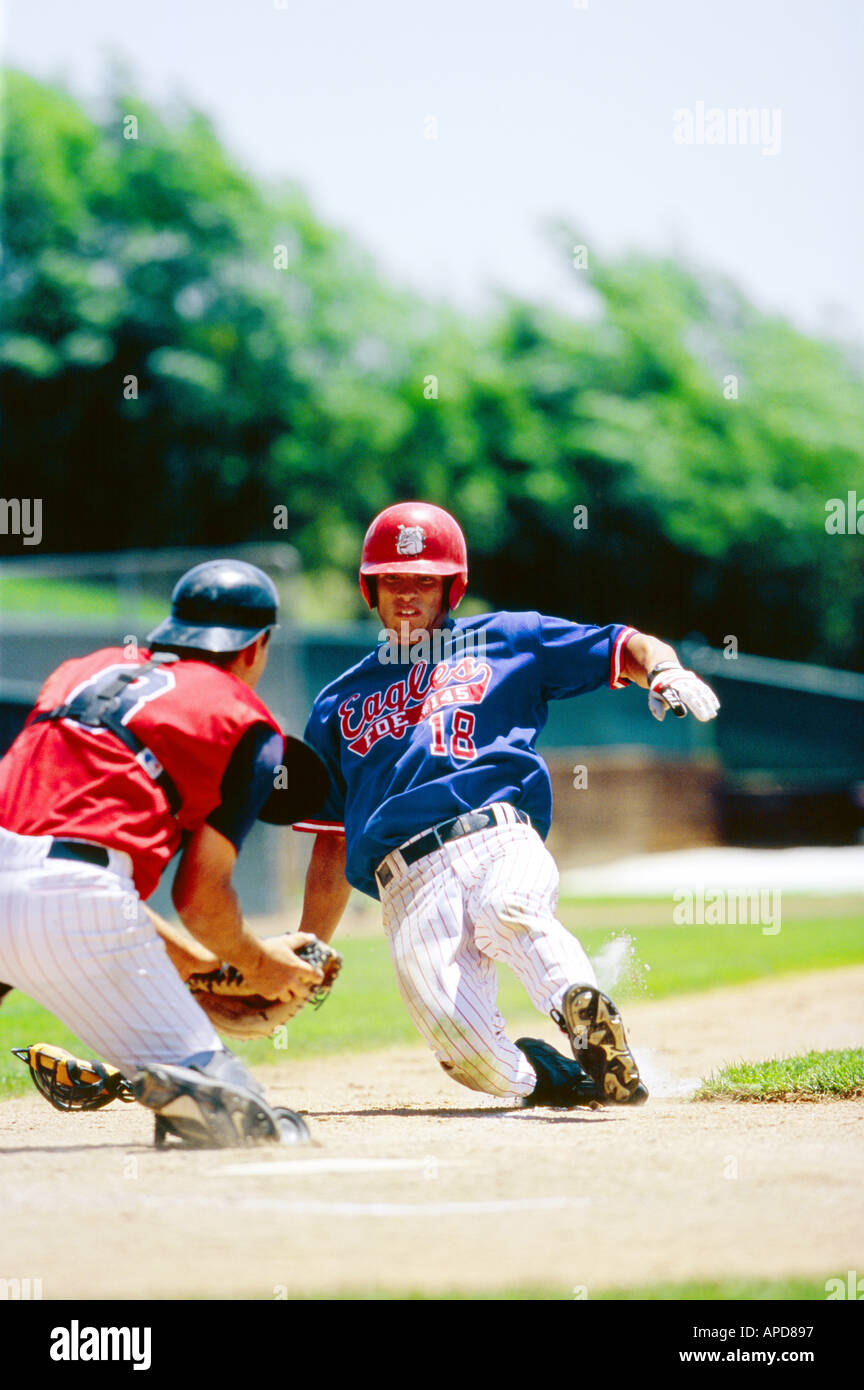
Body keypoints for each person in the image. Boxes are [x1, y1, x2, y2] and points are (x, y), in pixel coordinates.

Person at [292, 502, 720, 1109]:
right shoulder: (337, 702)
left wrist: (665, 671)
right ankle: (557, 1077)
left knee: (509, 906)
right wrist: (310, 948)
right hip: (406, 886)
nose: (408, 594)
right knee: (463, 1052)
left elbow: (624, 645)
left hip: (498, 835)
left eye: (424, 580)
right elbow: (332, 840)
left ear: (451, 587)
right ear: (370, 587)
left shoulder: (507, 637)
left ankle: (582, 1009)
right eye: (393, 579)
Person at [0, 559, 326, 1146]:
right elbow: (197, 898)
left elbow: (49, 861)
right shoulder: (245, 721)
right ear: (256, 647)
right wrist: (256, 964)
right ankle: (189, 1084)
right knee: (254, 1128)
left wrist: (204, 968)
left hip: (37, 876)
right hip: (77, 901)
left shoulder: (81, 671)